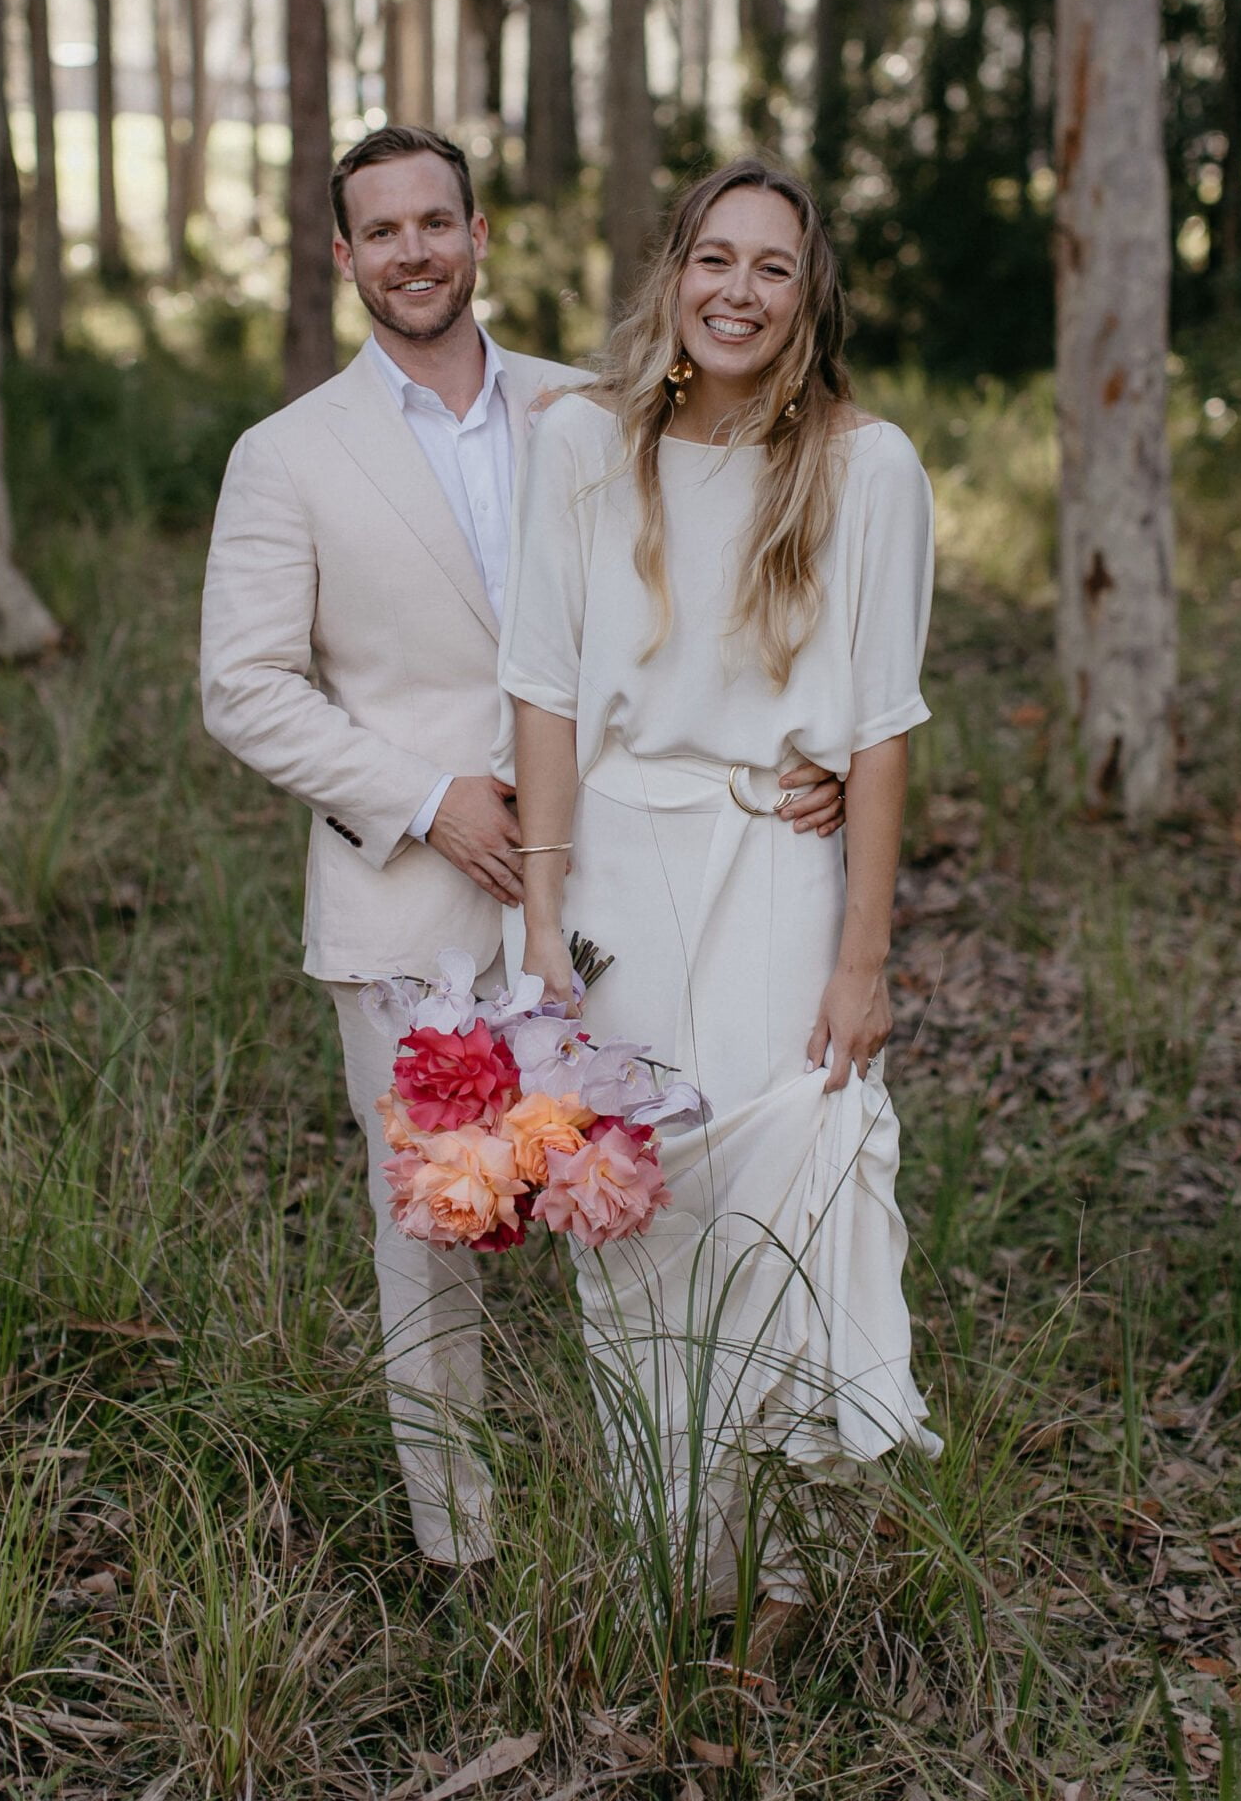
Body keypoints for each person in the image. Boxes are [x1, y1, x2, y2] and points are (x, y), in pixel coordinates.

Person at [199, 123, 845, 1573]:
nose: (415, 250)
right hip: (408, 905)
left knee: (651, 1207)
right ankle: (466, 1554)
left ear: (479, 237)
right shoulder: (286, 455)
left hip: (614, 889)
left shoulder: (595, 408)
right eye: (383, 230)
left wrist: (810, 757)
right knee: (435, 1242)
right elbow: (242, 689)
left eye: (439, 221)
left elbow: (734, 594)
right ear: (344, 255)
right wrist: (431, 797)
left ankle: (682, 1522)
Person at [497, 155, 941, 1620]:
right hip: (613, 862)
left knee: (777, 1199)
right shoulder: (581, 445)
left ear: (809, 298)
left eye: (772, 267)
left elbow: (878, 732)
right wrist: (541, 915)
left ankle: (781, 1581)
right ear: (672, 272)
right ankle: (662, 1563)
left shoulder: (865, 466)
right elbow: (545, 690)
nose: (737, 291)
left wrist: (862, 959)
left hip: (776, 859)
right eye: (715, 258)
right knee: (629, 1217)